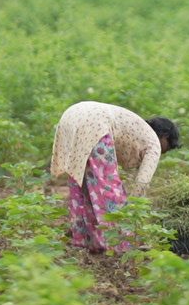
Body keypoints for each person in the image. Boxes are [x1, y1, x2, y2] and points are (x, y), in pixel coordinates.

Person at [49, 101, 181, 253]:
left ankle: (84, 239)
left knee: (83, 184)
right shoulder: (154, 142)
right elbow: (142, 183)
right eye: (169, 146)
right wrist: (133, 210)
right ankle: (123, 244)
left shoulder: (136, 128)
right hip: (94, 123)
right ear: (164, 137)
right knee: (109, 189)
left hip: (70, 116)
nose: (165, 151)